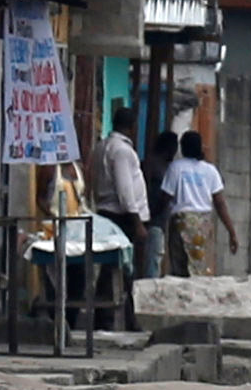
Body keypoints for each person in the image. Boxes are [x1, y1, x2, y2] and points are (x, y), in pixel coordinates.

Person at [160, 132, 239, 277]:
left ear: (182, 149)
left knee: (178, 268)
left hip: (180, 222)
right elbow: (220, 204)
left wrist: (155, 216)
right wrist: (231, 232)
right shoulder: (210, 171)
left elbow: (166, 197)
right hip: (202, 224)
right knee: (198, 269)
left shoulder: (176, 167)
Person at [93, 108, 150, 255]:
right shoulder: (122, 151)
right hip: (123, 217)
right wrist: (137, 224)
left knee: (110, 263)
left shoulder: (101, 146)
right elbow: (125, 190)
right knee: (123, 264)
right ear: (133, 126)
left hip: (106, 212)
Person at [142, 130, 179, 279]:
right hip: (153, 220)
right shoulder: (155, 166)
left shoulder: (159, 165)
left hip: (156, 220)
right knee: (153, 259)